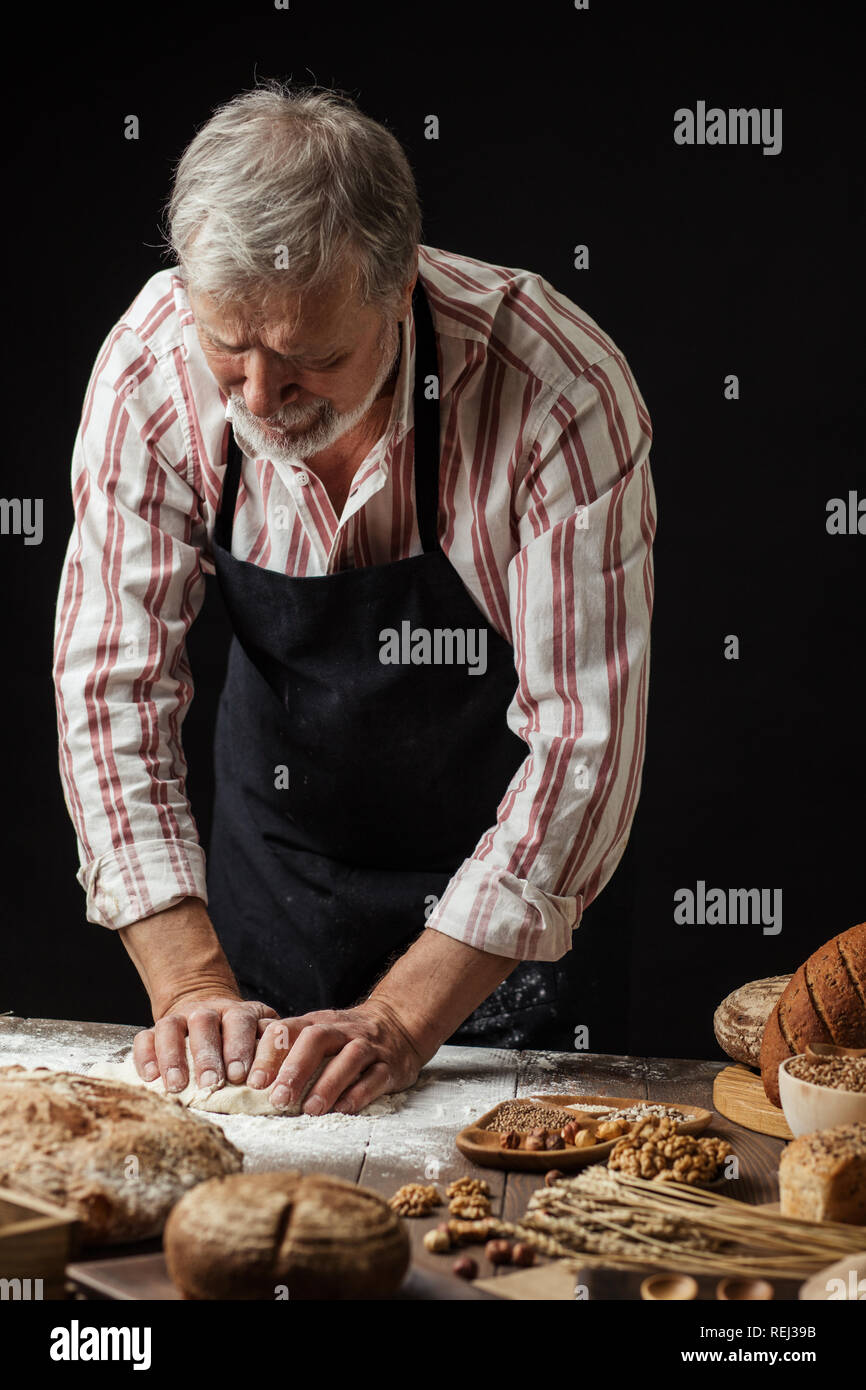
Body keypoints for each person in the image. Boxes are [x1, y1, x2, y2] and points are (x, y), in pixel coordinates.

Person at [52, 82, 656, 1117]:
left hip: (504, 916)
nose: (256, 397)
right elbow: (111, 689)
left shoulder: (554, 389)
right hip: (275, 874)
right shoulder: (151, 366)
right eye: (226, 350)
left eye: (310, 359)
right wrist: (193, 982)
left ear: (397, 284)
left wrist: (404, 1018)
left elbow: (582, 738)